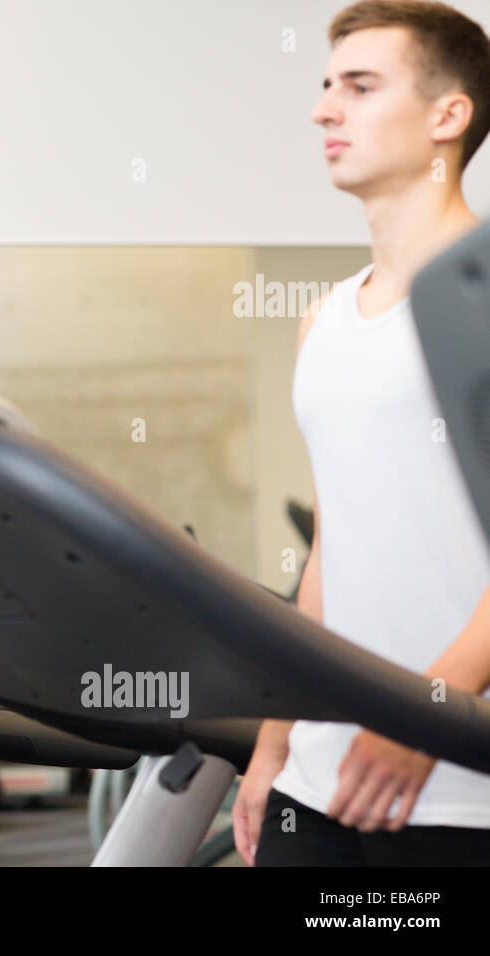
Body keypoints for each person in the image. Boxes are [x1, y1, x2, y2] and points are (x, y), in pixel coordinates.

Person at [232, 0, 490, 866]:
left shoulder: (486, 302)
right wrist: (274, 744)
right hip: (320, 776)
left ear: (448, 115)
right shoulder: (326, 319)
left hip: (461, 783)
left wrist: (432, 712)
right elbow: (330, 551)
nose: (323, 109)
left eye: (360, 86)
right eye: (326, 86)